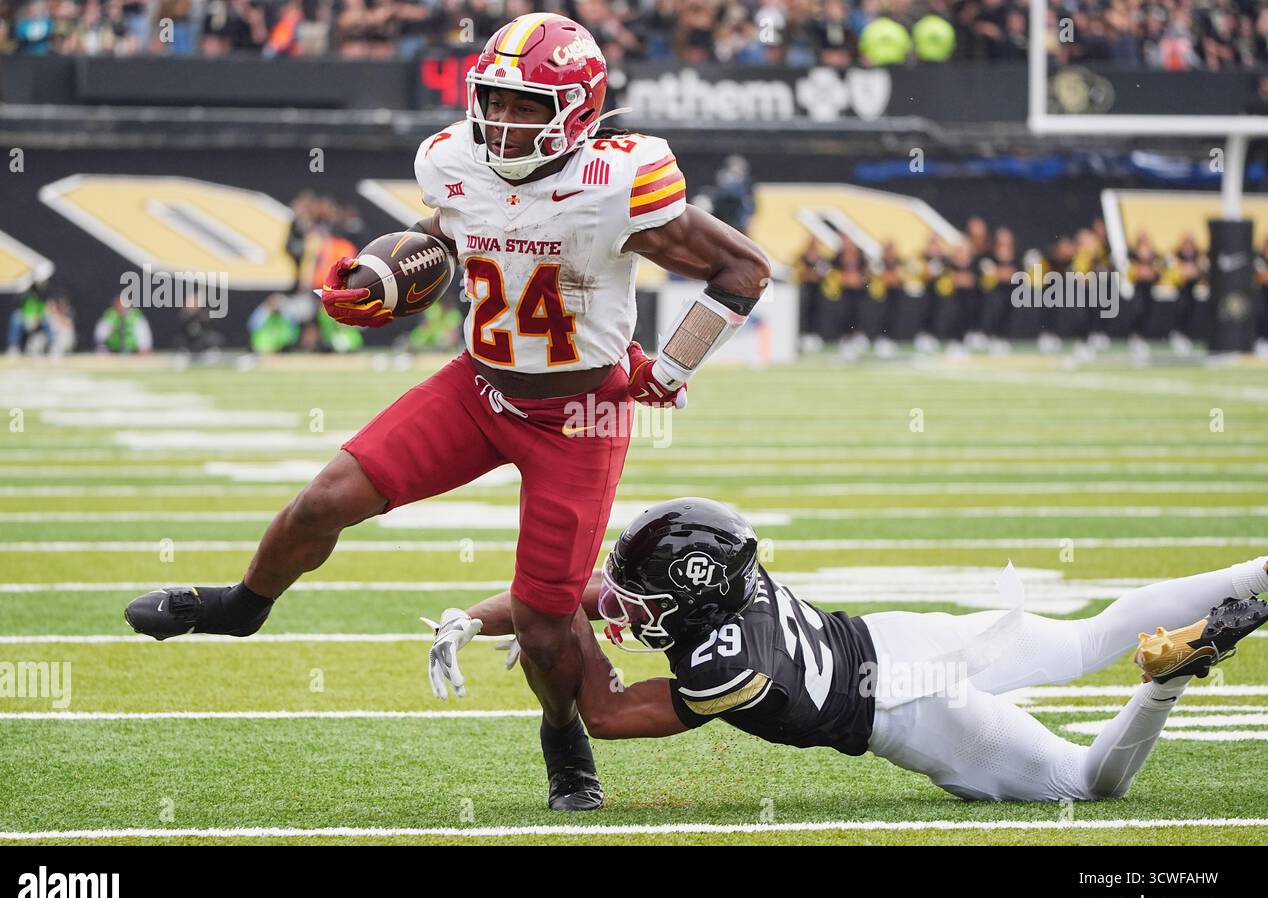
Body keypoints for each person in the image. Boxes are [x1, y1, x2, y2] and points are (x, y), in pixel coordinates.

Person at [123, 12, 771, 813]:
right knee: (324, 499)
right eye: (493, 99)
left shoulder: (617, 180)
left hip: (580, 417)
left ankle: (563, 738)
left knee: (541, 623)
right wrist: (383, 273)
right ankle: (242, 605)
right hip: (478, 386)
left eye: (525, 105)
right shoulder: (454, 160)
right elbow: (452, 230)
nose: (500, 120)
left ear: (576, 107)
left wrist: (675, 366)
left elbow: (743, 266)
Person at [427, 498, 1268, 804]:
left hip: (910, 708)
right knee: (1090, 635)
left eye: (647, 593)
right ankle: (1260, 569)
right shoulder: (732, 581)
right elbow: (575, 590)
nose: (627, 603)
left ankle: (1168, 680)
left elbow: (606, 716)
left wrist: (569, 641)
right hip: (902, 634)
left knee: (1086, 785)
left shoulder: (731, 669)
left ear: (695, 590)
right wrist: (487, 615)